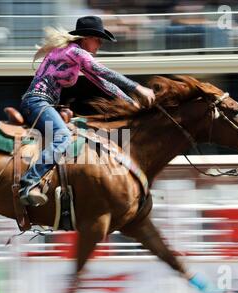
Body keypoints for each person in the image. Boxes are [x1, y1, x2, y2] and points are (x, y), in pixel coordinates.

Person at [18, 15, 155, 207]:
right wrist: (138, 88)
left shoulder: (75, 55)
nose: (99, 44)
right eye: (97, 39)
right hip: (37, 102)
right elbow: (106, 72)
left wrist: (131, 103)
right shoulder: (75, 51)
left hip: (43, 103)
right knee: (63, 137)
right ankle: (29, 182)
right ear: (85, 39)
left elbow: (104, 83)